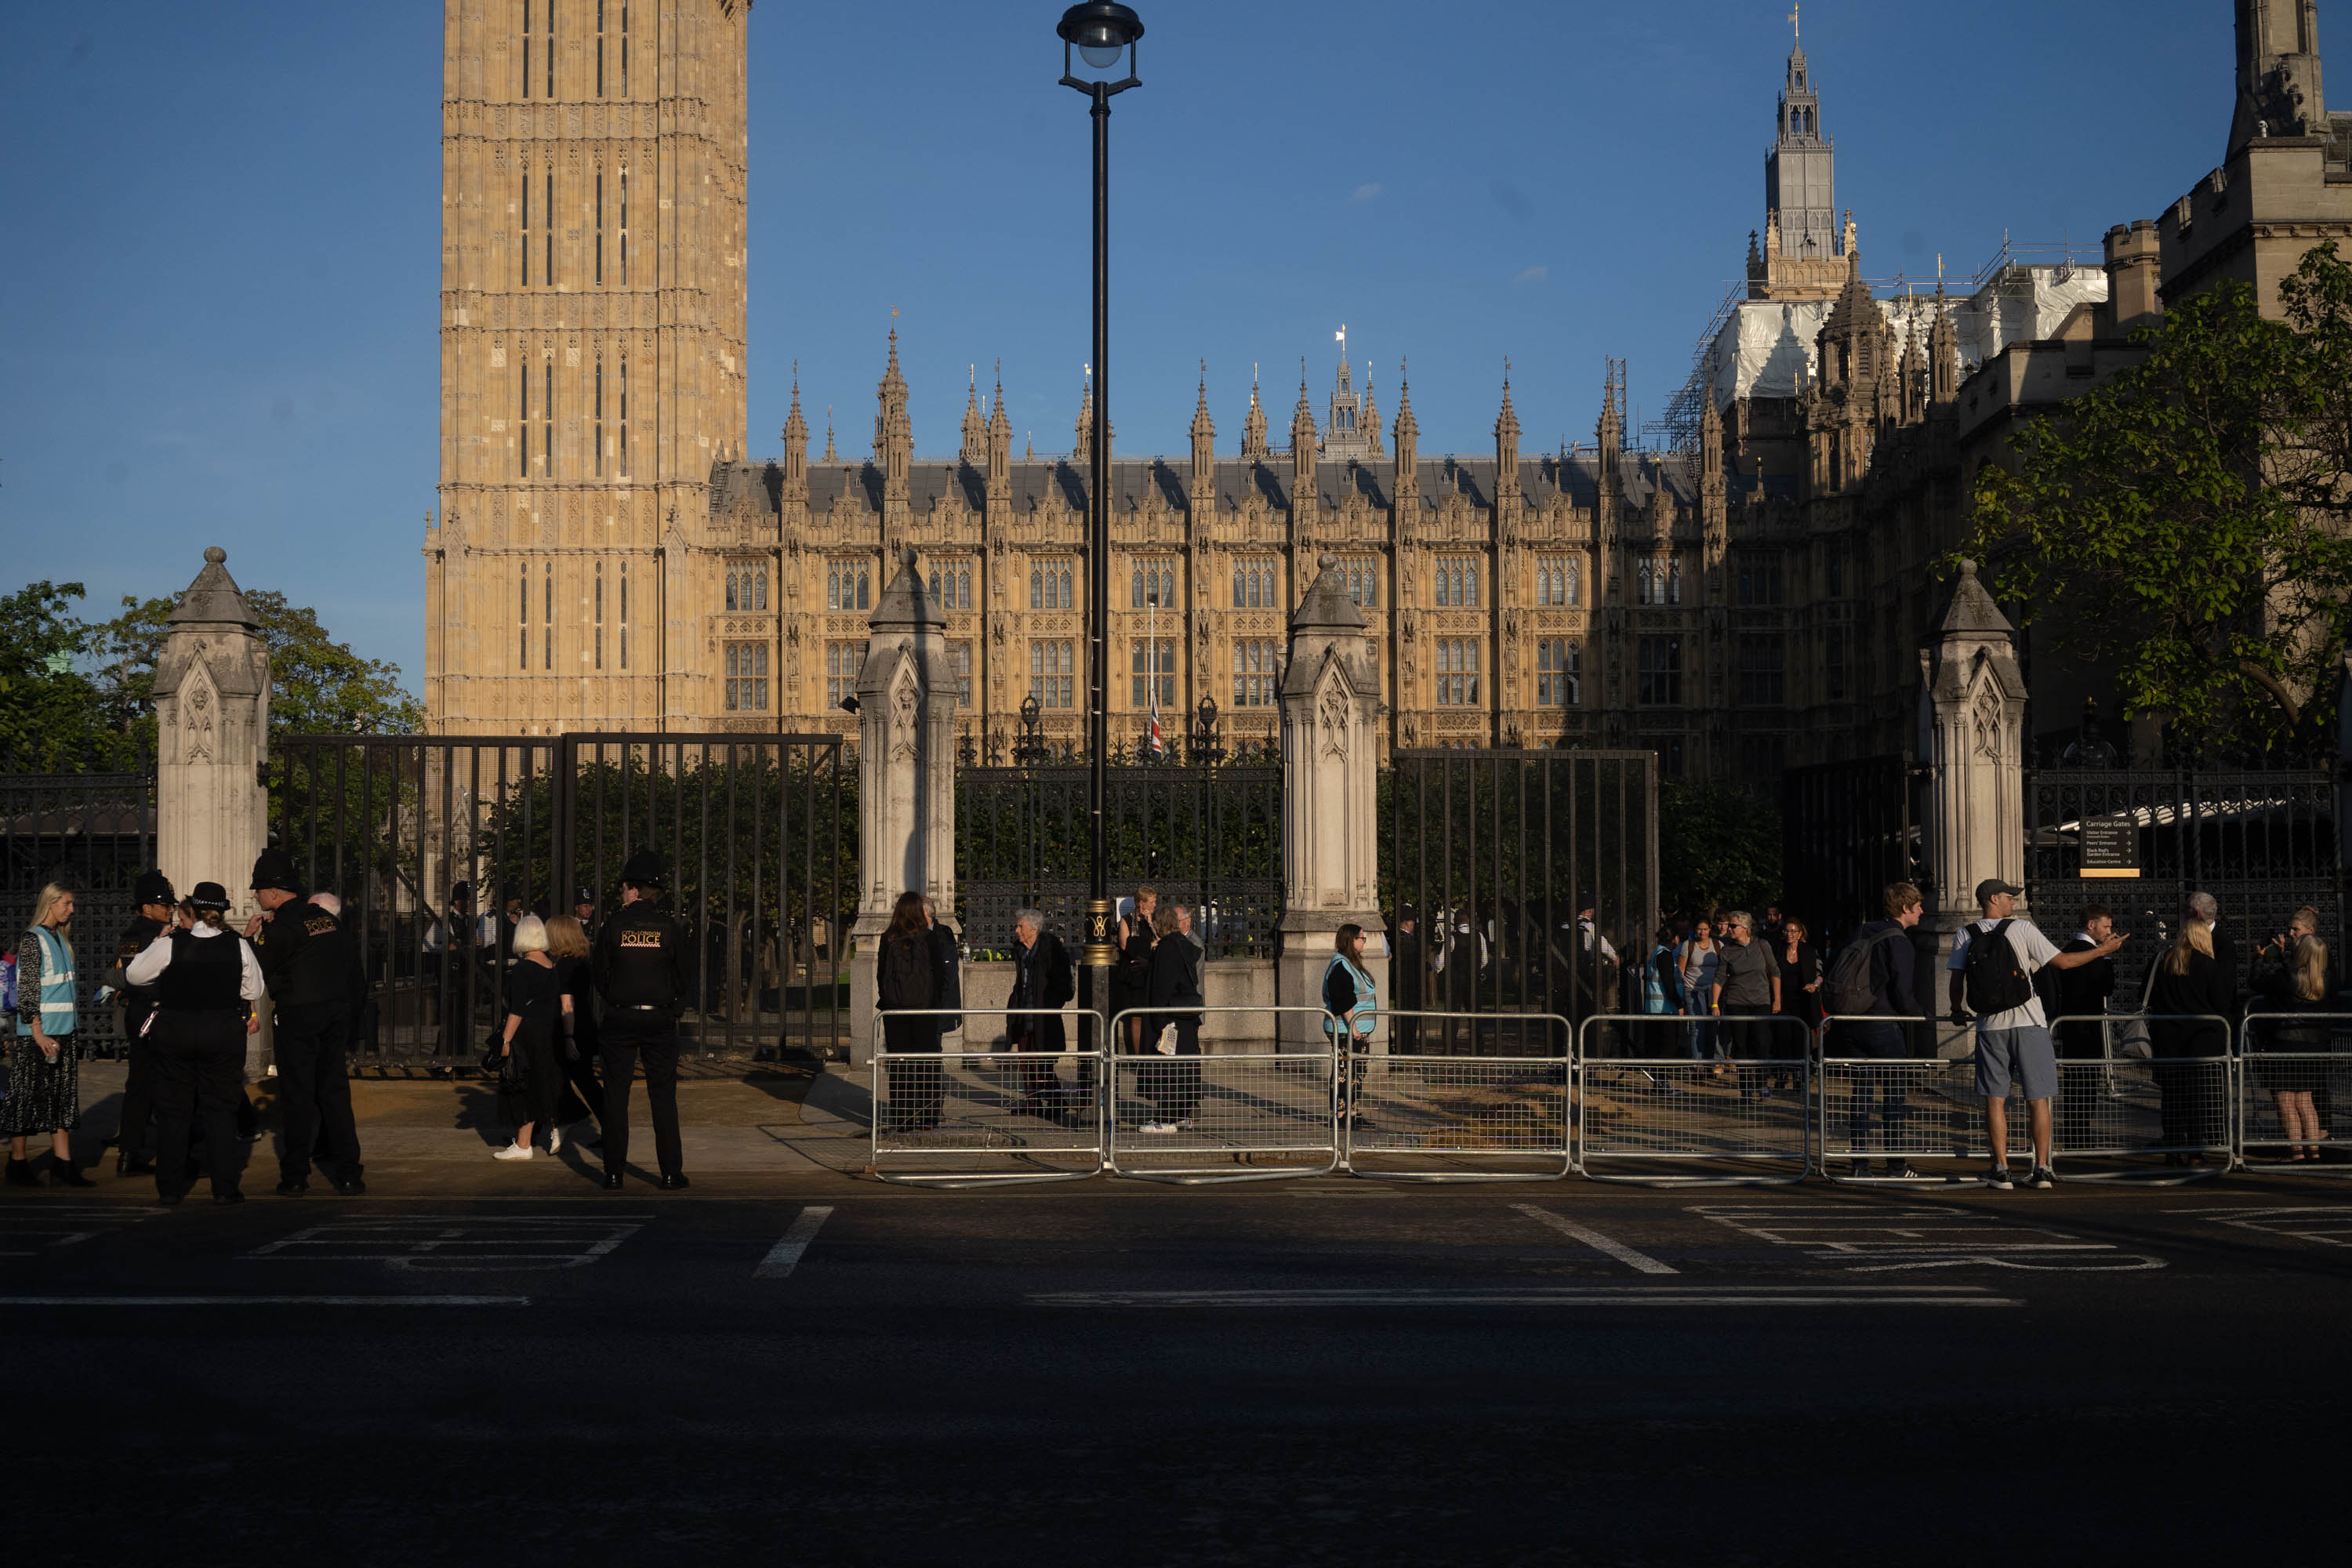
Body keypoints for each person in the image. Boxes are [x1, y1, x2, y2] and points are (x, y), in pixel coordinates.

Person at [1947, 878, 2126, 1190]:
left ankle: (2001, 1168)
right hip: (2029, 1021)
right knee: (2038, 1099)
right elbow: (2064, 962)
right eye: (2008, 897)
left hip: (1991, 1026)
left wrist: (1955, 1009)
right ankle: (2042, 1168)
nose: (2013, 902)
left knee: (1995, 1099)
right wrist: (2103, 951)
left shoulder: (1966, 933)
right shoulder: (2022, 929)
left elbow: (1957, 980)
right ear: (1992, 899)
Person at [124, 882, 267, 1205]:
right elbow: (253, 990)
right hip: (222, 1033)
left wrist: (159, 946)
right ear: (222, 910)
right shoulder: (237, 945)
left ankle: (170, 1190)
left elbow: (134, 976)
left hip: (176, 1031)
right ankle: (225, 1188)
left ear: (193, 910)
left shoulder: (172, 943)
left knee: (174, 1111)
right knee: (221, 1111)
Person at [245, 848, 365, 1196]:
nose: (255, 895)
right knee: (335, 1094)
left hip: (298, 1016)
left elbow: (255, 972)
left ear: (274, 892)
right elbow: (351, 968)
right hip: (335, 1013)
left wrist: (251, 939)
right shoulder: (326, 919)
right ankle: (349, 1174)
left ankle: (295, 1175)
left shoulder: (281, 927)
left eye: (259, 889)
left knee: (297, 1097)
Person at [591, 850, 691, 1189]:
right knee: (663, 1097)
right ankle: (670, 1173)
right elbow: (683, 977)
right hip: (659, 1020)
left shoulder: (612, 927)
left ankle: (614, 1173)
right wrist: (672, 1010)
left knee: (615, 1097)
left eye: (624, 888)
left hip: (620, 1018)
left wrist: (615, 1001)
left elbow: (599, 975)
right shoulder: (668, 927)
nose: (622, 894)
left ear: (634, 890)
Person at [1835, 882, 1924, 1178]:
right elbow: (1902, 989)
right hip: (1881, 1022)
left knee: (1861, 1094)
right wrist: (1917, 1016)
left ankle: (1860, 1163)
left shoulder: (1864, 930)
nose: (1922, 911)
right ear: (1905, 908)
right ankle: (1895, 1164)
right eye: (1918, 906)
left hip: (1852, 1020)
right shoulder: (1898, 940)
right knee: (1894, 1096)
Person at [9, 882, 92, 1187]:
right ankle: (17, 1163)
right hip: (40, 1036)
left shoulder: (60, 938)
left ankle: (64, 1163)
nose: (71, 909)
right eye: (67, 904)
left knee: (62, 1098)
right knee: (26, 1098)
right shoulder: (34, 939)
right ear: (52, 903)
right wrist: (38, 1032)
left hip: (63, 1031)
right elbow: (28, 990)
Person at [2147, 903, 2234, 1164]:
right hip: (2200, 1039)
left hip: (2168, 1038)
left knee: (2171, 1097)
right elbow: (2221, 1001)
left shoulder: (2164, 960)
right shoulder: (2207, 965)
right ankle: (2195, 1151)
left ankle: (2173, 1151)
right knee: (2198, 1098)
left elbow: (2146, 995)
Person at [107, 869, 176, 1177]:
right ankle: (172, 1154)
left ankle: (129, 1152)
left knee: (139, 1083)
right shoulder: (157, 936)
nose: (170, 910)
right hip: (158, 1012)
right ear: (147, 908)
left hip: (138, 1012)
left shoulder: (129, 937)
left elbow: (122, 974)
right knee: (168, 1084)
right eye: (164, 905)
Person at [2250, 921, 2332, 1161]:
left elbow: (2258, 983)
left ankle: (2296, 1152)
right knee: (2306, 1100)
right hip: (2312, 1046)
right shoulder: (2323, 981)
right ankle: (2314, 1152)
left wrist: (2260, 959)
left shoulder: (2289, 979)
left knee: (2286, 1101)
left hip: (2285, 1043)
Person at [492, 915, 563, 1160]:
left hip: (527, 1033)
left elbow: (517, 1009)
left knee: (522, 1086)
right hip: (547, 1032)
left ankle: (523, 1145)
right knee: (543, 1082)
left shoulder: (523, 968)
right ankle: (550, 1131)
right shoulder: (552, 967)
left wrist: (506, 1040)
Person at [876, 891, 947, 1131]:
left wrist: (889, 1000)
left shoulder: (888, 937)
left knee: (899, 1067)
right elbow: (940, 975)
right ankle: (928, 1117)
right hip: (924, 1011)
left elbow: (880, 976)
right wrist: (933, 1004)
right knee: (927, 1066)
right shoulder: (928, 938)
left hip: (895, 1013)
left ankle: (902, 1119)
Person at [1138, 902, 1205, 1134]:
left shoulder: (1167, 949)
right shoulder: (1183, 945)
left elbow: (1162, 987)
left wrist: (1158, 1021)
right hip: (1184, 1017)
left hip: (1169, 1018)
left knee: (1168, 1071)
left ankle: (1165, 1120)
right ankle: (1177, 1116)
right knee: (1182, 1070)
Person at [545, 913, 606, 1149]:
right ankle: (608, 1126)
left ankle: (570, 1117)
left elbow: (566, 1004)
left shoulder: (564, 967)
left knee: (568, 1078)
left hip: (572, 1030)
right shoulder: (581, 962)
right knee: (584, 1080)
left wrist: (569, 1037)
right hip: (585, 1026)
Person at [1007, 908, 1076, 1110]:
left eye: (1021, 926)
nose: (1017, 930)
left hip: (1043, 1014)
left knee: (1042, 1060)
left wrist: (1050, 1003)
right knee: (1025, 1058)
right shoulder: (1021, 951)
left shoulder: (1051, 950)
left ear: (1033, 928)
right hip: (1023, 1012)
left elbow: (1062, 985)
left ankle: (1056, 1101)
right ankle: (1033, 1101)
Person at [1711, 911, 1781, 1100]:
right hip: (1737, 1002)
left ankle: (1762, 1083)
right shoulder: (1727, 950)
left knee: (1761, 1042)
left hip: (1760, 1002)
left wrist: (1777, 999)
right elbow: (1719, 977)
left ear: (1745, 928)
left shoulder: (1762, 945)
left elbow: (1775, 972)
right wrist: (1714, 1003)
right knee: (1740, 1046)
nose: (1730, 929)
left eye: (1733, 926)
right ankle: (1746, 1087)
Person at [1323, 922, 1378, 1116]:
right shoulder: (1341, 965)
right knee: (1344, 1073)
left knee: (1356, 1072)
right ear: (1351, 940)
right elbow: (1343, 999)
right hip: (1346, 1028)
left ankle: (1352, 1113)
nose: (1364, 942)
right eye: (1362, 938)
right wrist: (1354, 1028)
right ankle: (1340, 1114)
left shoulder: (1350, 963)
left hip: (1356, 1028)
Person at [1772, 915, 1823, 1094]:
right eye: (1787, 931)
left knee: (1801, 1041)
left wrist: (1815, 984)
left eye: (1794, 931)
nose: (1790, 934)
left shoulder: (1809, 951)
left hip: (1803, 1000)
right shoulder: (1778, 950)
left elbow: (1821, 972)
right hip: (1783, 1000)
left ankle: (1800, 1077)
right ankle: (1782, 1075)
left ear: (1800, 933)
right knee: (1783, 1038)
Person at [1109, 884, 1159, 1054]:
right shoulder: (1126, 920)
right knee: (1136, 1016)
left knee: (1152, 1014)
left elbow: (1160, 940)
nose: (1154, 905)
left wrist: (1150, 923)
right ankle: (1138, 1056)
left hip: (1150, 971)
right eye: (1151, 902)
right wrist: (1149, 945)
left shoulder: (1154, 919)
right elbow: (1125, 945)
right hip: (1133, 974)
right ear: (1142, 903)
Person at [1677, 916, 1722, 1072]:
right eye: (1699, 929)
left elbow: (1724, 970)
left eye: (1705, 929)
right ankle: (1698, 1064)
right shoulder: (1687, 946)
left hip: (1713, 992)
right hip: (1692, 991)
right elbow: (1680, 971)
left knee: (1713, 1027)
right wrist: (1680, 997)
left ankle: (1712, 1062)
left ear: (1710, 930)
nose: (1702, 932)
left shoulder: (1718, 945)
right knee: (1696, 1027)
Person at [1638, 920, 1686, 1056]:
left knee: (1655, 1047)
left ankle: (1657, 1076)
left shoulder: (1656, 953)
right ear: (1675, 938)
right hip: (1665, 1010)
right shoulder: (1665, 955)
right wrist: (1679, 1004)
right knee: (1667, 1048)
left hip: (1653, 1009)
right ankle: (1661, 1077)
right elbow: (1669, 984)